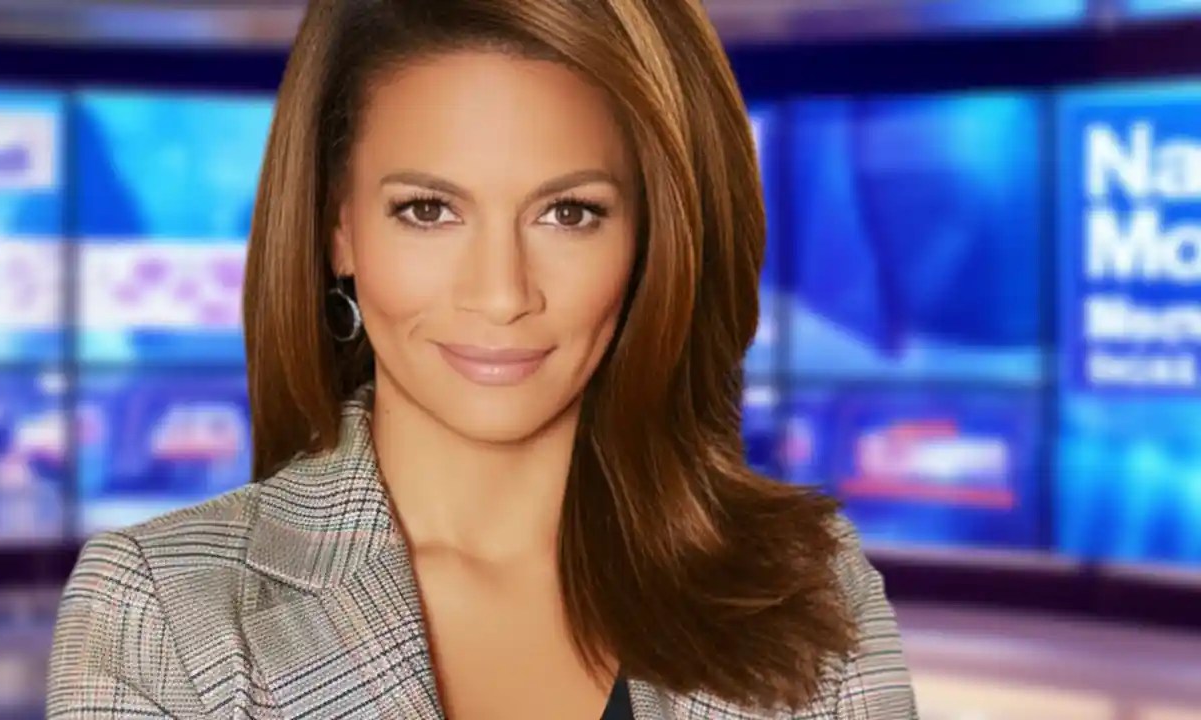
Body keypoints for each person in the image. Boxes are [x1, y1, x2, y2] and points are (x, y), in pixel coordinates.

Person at [46, 0, 917, 717]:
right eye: (428, 210)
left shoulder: (805, 581)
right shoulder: (161, 607)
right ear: (338, 226)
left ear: (654, 237)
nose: (501, 294)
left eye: (569, 212)